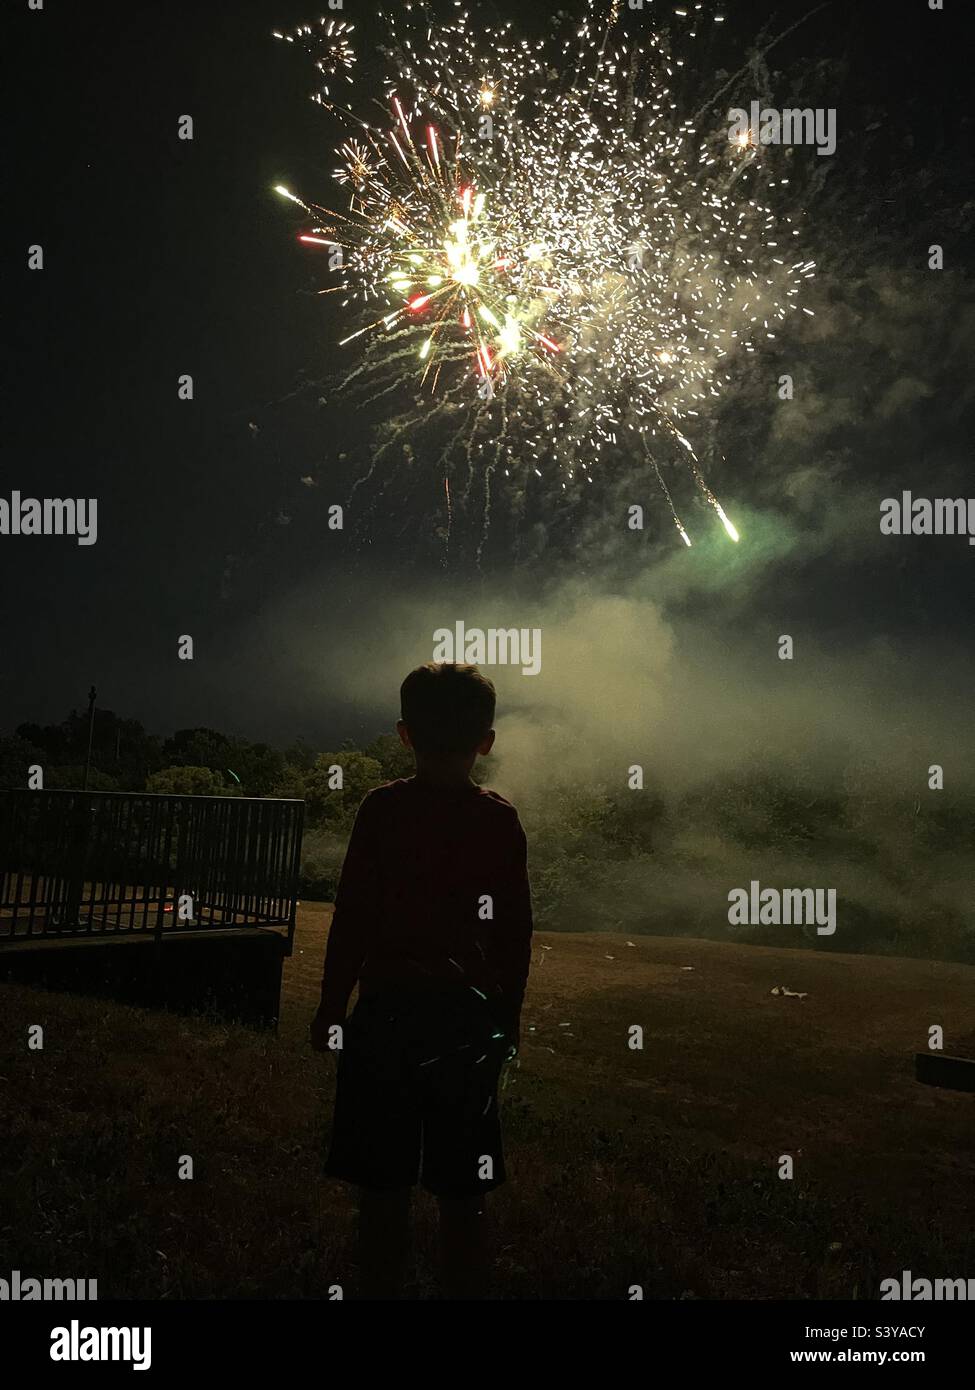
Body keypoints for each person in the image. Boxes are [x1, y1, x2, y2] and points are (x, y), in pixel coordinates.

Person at [310, 662, 533, 1299]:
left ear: (405, 735)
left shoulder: (382, 811)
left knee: (382, 1189)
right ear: (486, 742)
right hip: (465, 1022)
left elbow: (352, 916)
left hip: (385, 1016)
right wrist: (508, 1016)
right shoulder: (497, 820)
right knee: (464, 1191)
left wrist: (330, 1008)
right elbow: (514, 933)